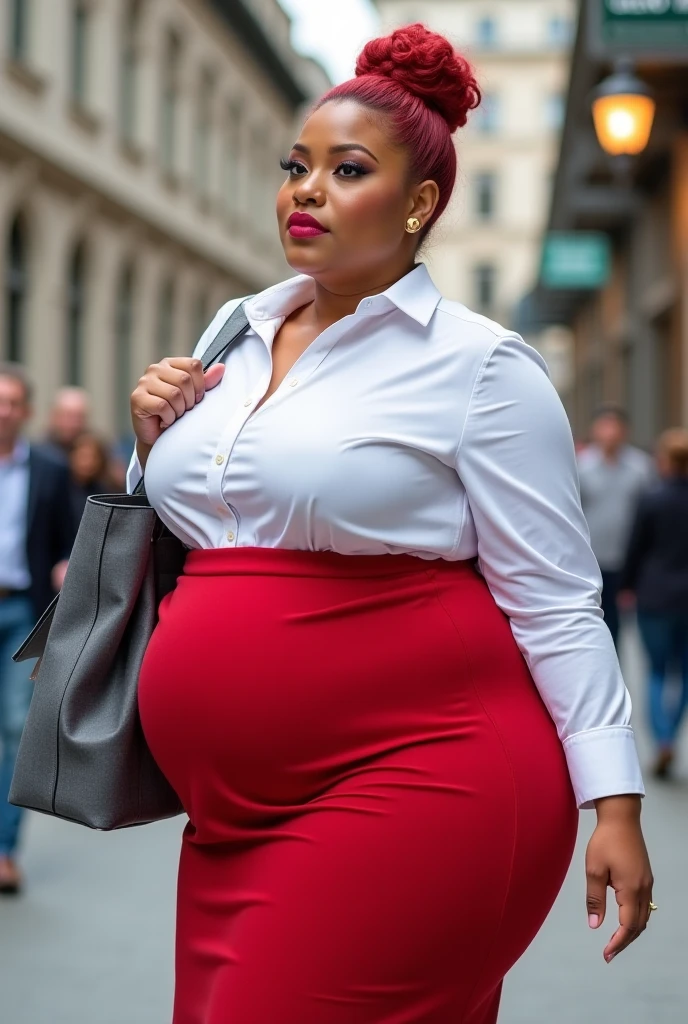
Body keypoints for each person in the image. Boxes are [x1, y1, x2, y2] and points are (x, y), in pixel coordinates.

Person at [127, 26, 653, 1024]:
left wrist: (613, 802)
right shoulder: (232, 332)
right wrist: (149, 436)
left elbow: (554, 596)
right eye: (296, 167)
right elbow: (193, 523)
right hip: (231, 816)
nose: (304, 191)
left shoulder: (481, 367)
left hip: (419, 776)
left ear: (419, 205)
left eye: (346, 169)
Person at [0, 364, 76, 895]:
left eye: (11, 402)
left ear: (26, 411)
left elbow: (71, 538)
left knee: (13, 730)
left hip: (21, 614)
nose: (3, 410)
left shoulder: (50, 469)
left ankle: (4, 850)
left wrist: (65, 565)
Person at [621, 428, 688, 779]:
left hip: (655, 595)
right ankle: (671, 735)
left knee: (657, 670)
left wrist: (628, 584)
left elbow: (635, 547)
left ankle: (662, 738)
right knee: (686, 673)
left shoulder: (651, 499)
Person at [578, 405, 654, 647]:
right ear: (594, 430)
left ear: (625, 431)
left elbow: (650, 514)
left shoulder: (641, 467)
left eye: (615, 426)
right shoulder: (580, 465)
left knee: (626, 626)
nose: (610, 432)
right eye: (604, 426)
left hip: (630, 560)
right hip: (592, 559)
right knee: (595, 622)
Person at [68, 431, 119, 525]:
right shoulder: (60, 491)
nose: (87, 463)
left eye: (93, 457)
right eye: (83, 456)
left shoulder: (108, 492)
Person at [42, 386, 90, 459]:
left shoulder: (97, 454)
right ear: (54, 416)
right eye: (68, 416)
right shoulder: (40, 452)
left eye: (78, 417)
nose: (73, 424)